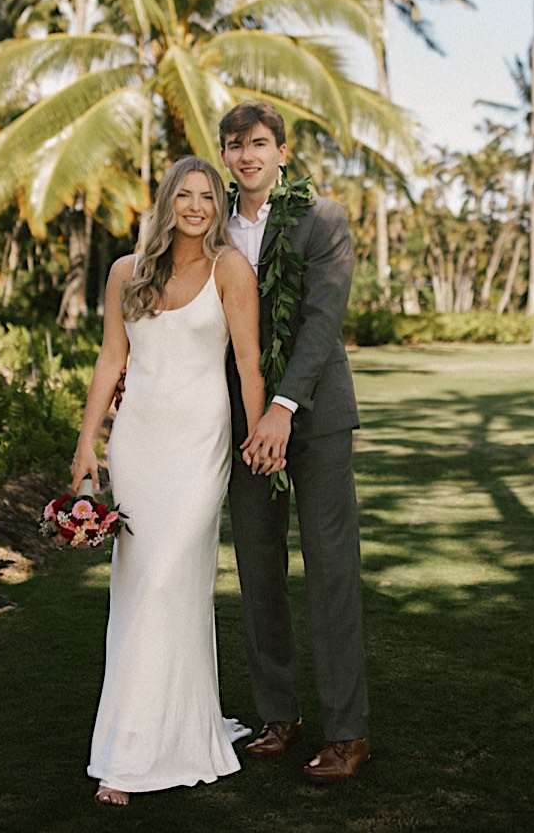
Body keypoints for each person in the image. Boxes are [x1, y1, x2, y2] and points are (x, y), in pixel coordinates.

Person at [70, 156, 267, 807]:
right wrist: (85, 444)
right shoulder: (126, 272)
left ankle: (133, 757)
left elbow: (247, 360)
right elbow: (111, 357)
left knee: (167, 578)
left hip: (199, 445)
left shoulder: (230, 268)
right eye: (183, 195)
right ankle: (158, 731)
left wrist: (263, 427)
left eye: (207, 196)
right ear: (166, 201)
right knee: (143, 588)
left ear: (219, 204)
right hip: (138, 446)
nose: (195, 206)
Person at [220, 101, 371, 783]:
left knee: (331, 570)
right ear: (224, 155)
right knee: (257, 569)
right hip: (241, 421)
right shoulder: (211, 224)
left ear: (281, 151)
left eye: (258, 142)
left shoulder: (323, 218)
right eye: (234, 144)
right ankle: (278, 714)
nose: (247, 154)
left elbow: (320, 320)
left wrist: (283, 409)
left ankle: (346, 732)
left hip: (315, 418)